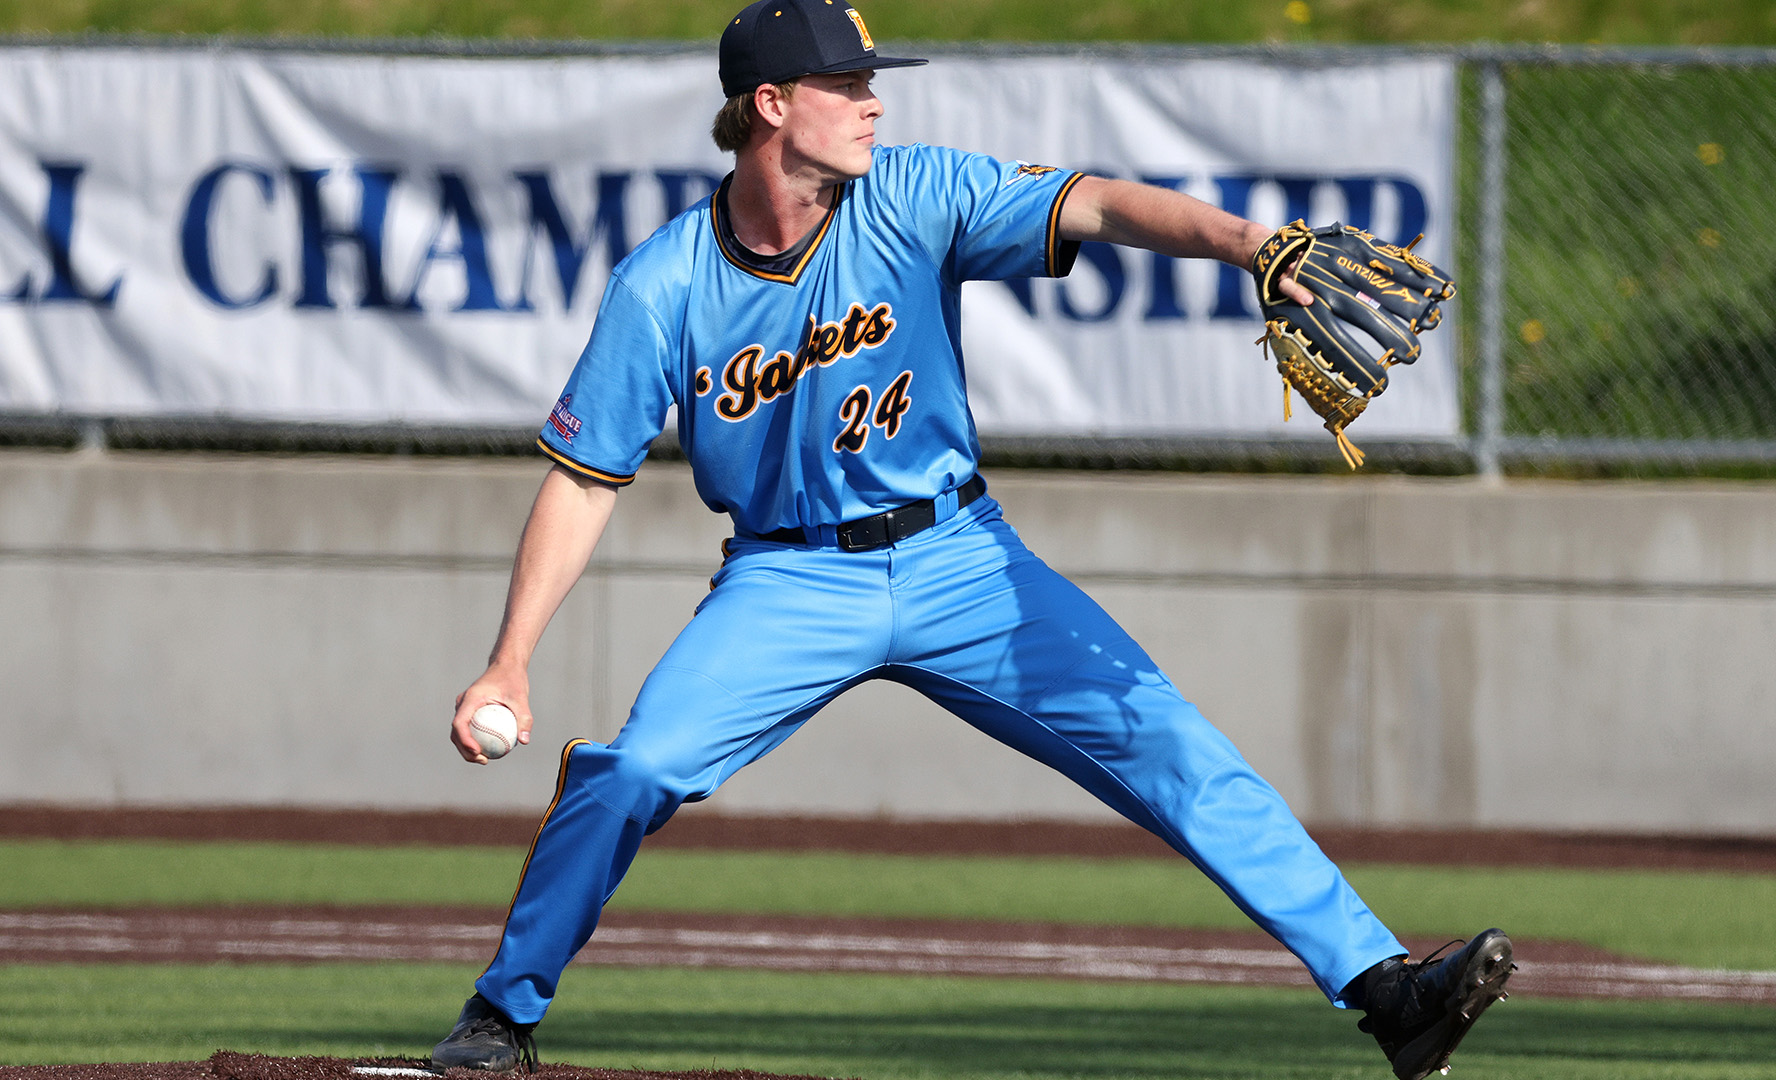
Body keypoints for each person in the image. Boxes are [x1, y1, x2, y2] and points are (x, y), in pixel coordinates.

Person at [429, 4, 1514, 1078]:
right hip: (789, 577)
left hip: (963, 561)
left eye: (870, 83)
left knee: (1172, 747)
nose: (873, 102)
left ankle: (1387, 992)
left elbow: (1091, 203)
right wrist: (512, 659)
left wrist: (1248, 246)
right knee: (636, 769)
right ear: (770, 106)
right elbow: (583, 482)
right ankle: (499, 1013)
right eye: (847, 85)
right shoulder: (665, 282)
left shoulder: (911, 193)